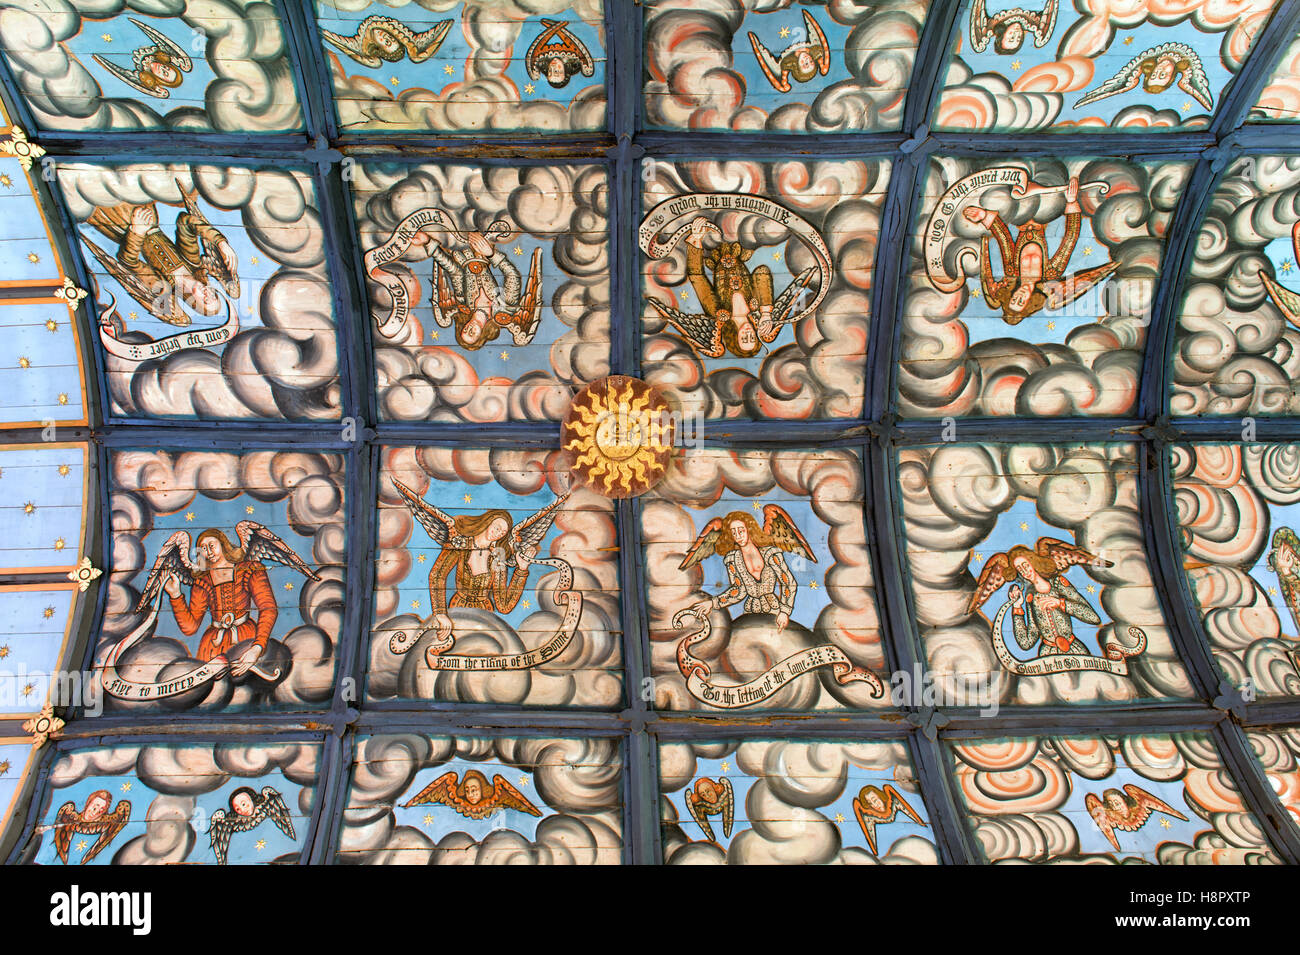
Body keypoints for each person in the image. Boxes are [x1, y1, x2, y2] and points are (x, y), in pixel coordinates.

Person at [164, 528, 278, 676]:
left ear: (224, 544)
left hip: (246, 639)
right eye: (203, 548)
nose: (208, 551)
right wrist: (175, 595)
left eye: (211, 545)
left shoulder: (249, 570)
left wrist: (257, 647)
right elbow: (190, 627)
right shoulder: (202, 582)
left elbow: (268, 608)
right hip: (212, 646)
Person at [426, 509, 536, 643]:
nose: (498, 534)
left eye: (502, 533)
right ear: (487, 522)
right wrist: (441, 614)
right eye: (497, 528)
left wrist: (522, 569)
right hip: (457, 610)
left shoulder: (498, 557)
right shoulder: (461, 544)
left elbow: (504, 605)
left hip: (485, 616)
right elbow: (437, 574)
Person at [689, 511, 797, 630]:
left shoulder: (770, 554)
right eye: (734, 533)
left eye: (741, 531)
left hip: (774, 612)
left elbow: (788, 582)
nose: (738, 536)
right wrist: (712, 603)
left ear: (749, 530)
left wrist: (785, 611)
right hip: (750, 612)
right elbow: (738, 590)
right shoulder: (733, 560)